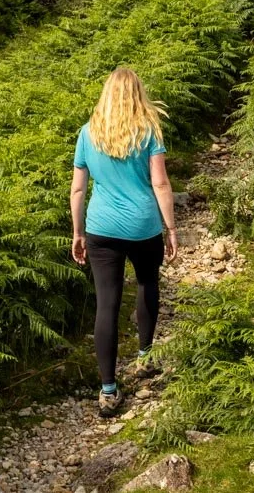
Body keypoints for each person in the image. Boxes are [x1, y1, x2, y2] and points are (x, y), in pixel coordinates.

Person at [70, 66, 178, 417]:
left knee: (107, 304)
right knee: (147, 284)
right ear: (138, 94)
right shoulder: (148, 131)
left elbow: (78, 188)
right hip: (143, 227)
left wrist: (78, 232)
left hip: (101, 229)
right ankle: (145, 359)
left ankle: (108, 391)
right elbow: (160, 184)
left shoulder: (88, 133)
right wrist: (171, 228)